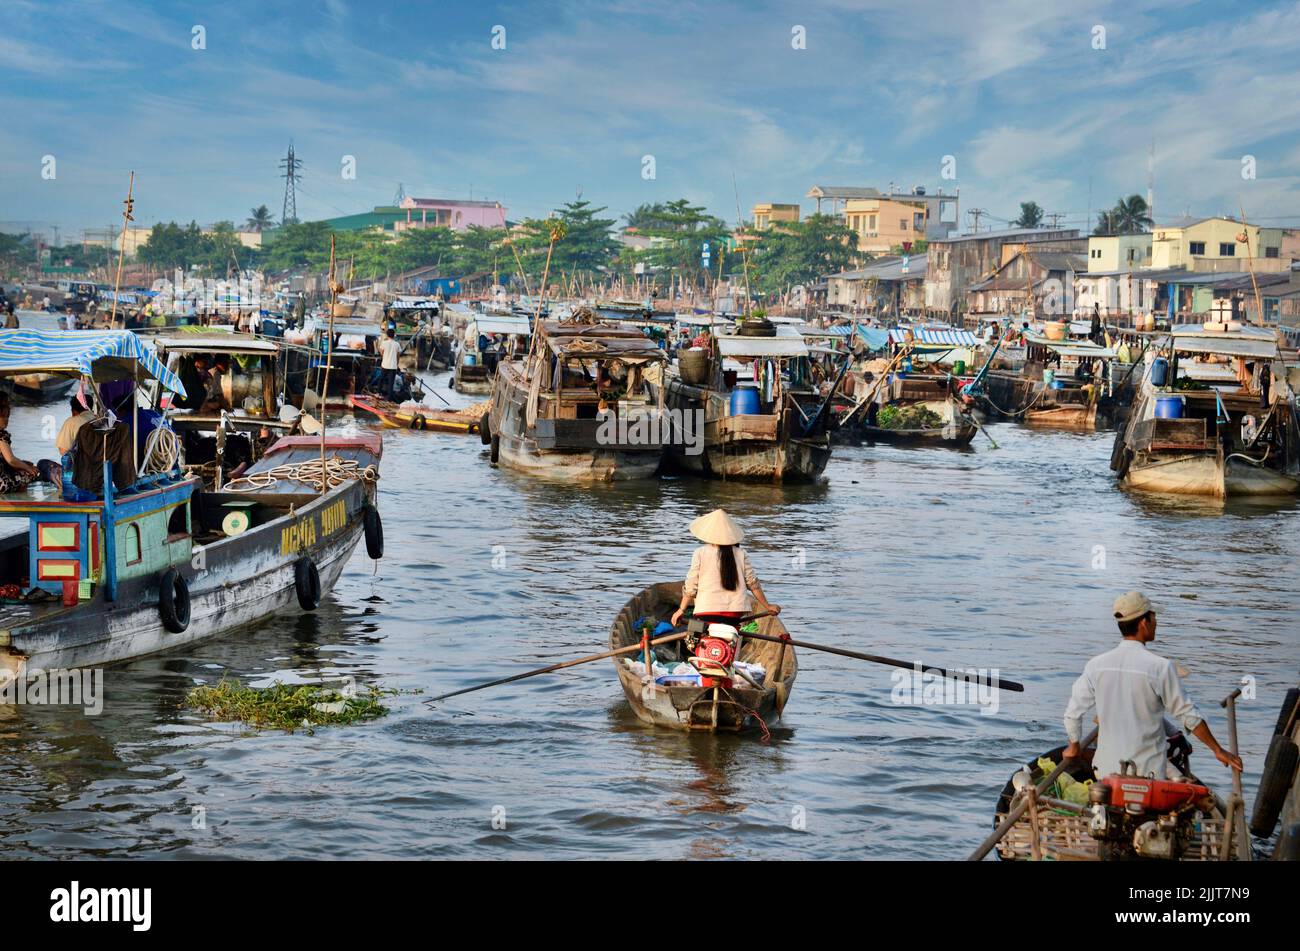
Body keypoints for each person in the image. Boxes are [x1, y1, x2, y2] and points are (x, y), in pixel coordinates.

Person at [1063, 591, 1242, 780]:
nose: (1156, 623)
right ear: (1143, 623)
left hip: (1106, 772)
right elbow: (1189, 716)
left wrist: (1074, 745)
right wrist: (1218, 750)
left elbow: (1072, 713)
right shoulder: (1160, 668)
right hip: (1148, 774)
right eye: (1153, 617)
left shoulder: (1095, 665)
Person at [670, 509, 781, 630]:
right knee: (732, 640)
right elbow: (752, 583)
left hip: (705, 612)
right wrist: (767, 606)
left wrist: (681, 610)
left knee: (693, 640)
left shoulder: (700, 553)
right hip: (734, 614)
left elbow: (691, 586)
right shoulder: (741, 553)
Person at [0, 393, 62, 493]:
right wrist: (28, 468)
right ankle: (21, 494)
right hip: (2, 484)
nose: (6, 420)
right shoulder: (2, 436)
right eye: (3, 417)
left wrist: (23, 463)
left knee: (25, 466)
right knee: (31, 473)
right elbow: (11, 460)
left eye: (7, 417)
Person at [378, 328, 401, 397]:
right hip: (393, 366)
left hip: (385, 365)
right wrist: (396, 364)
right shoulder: (397, 344)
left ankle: (378, 393)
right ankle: (389, 398)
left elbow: (381, 353)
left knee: (381, 379)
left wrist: (385, 357)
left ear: (387, 335)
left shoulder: (384, 343)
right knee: (391, 383)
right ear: (394, 335)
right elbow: (398, 356)